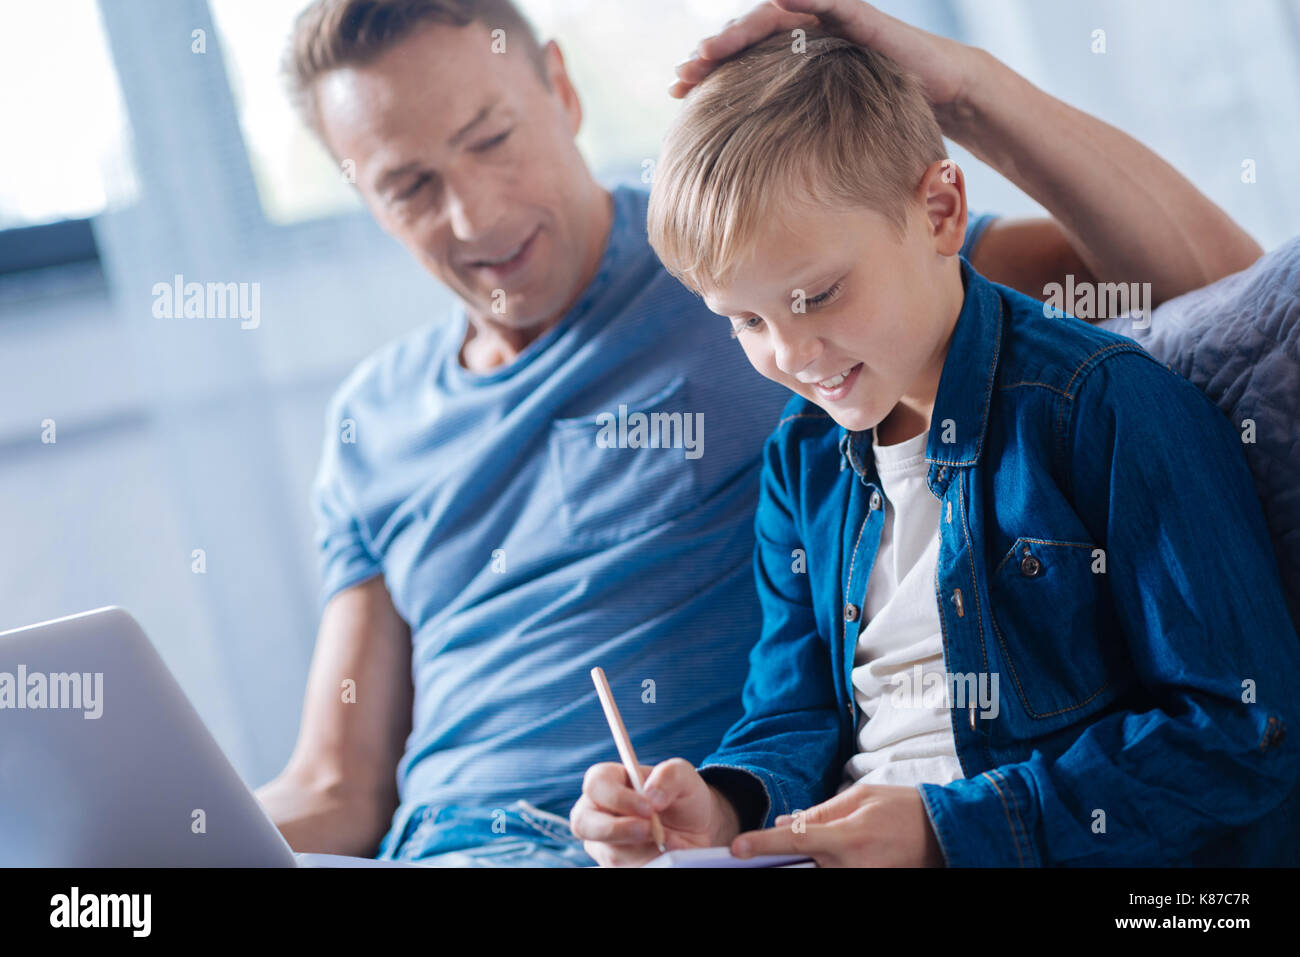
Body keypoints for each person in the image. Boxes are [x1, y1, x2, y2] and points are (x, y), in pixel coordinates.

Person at [254, 0, 1265, 866]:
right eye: (409, 186)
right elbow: (333, 783)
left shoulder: (777, 229)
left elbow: (1231, 296)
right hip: (436, 845)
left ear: (559, 89)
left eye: (488, 138)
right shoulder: (373, 421)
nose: (473, 215)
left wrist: (960, 92)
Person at [569, 27, 1300, 867]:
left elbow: (1246, 728)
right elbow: (793, 714)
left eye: (819, 294)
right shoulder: (801, 461)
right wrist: (723, 805)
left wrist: (949, 829)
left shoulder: (1101, 406)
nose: (793, 355)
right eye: (747, 321)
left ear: (941, 211)